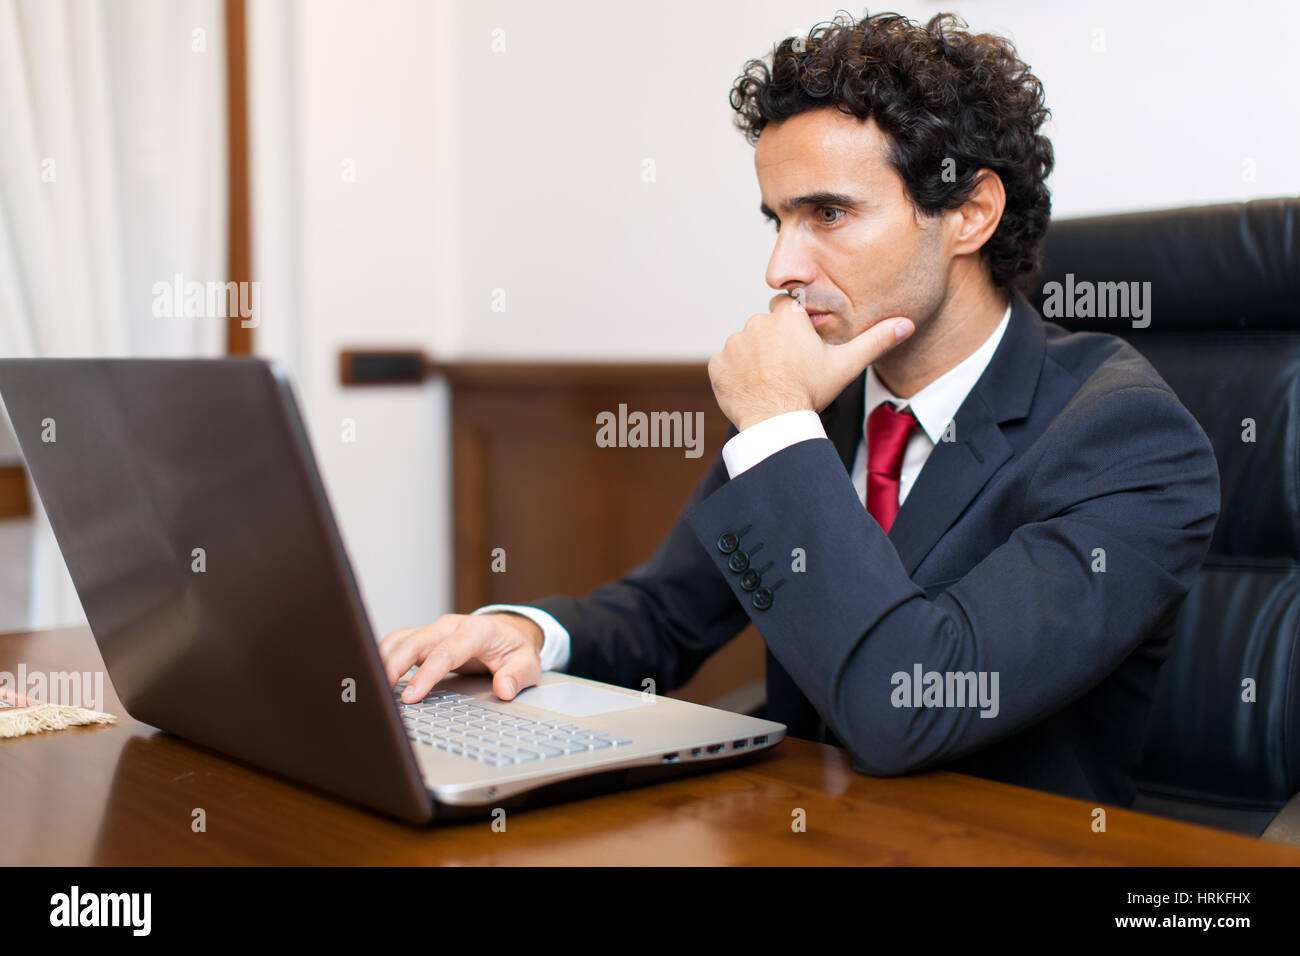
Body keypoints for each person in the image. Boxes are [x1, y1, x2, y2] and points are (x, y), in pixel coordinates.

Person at [378, 11, 1220, 805]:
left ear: (969, 213)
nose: (781, 265)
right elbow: (666, 617)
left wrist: (780, 426)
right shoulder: (824, 401)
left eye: (828, 213)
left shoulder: (1128, 439)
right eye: (778, 219)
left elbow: (909, 705)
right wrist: (527, 632)